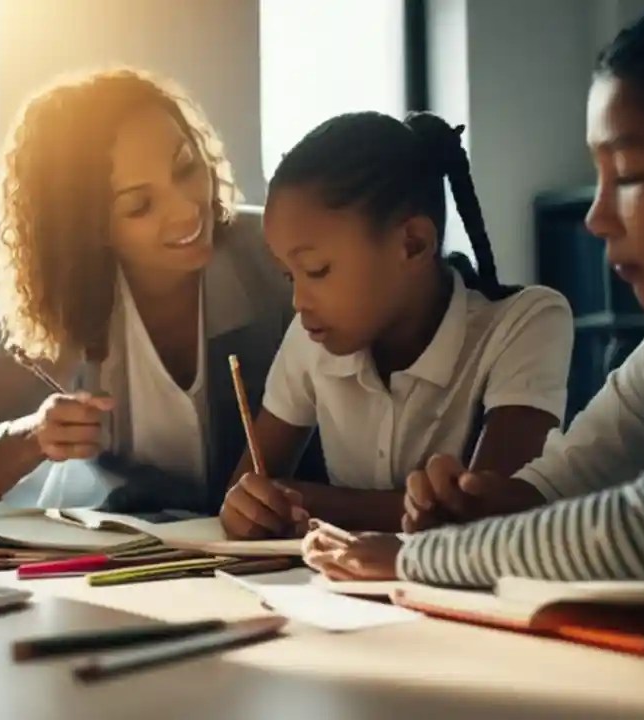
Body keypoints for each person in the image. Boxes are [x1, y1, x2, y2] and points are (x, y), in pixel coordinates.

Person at [304, 0, 644, 586]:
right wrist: (472, 513)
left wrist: (412, 558)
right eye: (597, 177)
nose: (597, 218)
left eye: (628, 176)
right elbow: (555, 487)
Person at [0, 68, 298, 513]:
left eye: (185, 168)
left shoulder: (278, 255)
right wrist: (34, 435)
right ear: (87, 223)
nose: (186, 210)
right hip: (133, 567)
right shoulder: (59, 300)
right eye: (139, 205)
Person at [218, 111, 572, 538]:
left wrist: (308, 500)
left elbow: (486, 519)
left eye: (316, 270)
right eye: (289, 277)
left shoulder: (526, 322)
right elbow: (251, 492)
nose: (298, 302)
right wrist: (247, 507)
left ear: (413, 243)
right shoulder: (312, 339)